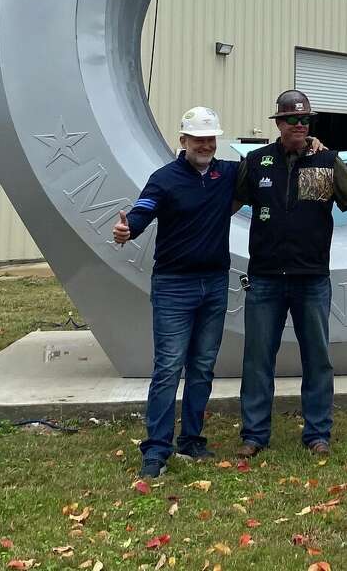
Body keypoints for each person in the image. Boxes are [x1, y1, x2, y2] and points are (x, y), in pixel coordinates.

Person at [234, 90, 347, 458]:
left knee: (317, 357)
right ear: (278, 123)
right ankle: (254, 435)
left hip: (310, 279)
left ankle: (317, 434)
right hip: (264, 278)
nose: (299, 125)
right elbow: (225, 203)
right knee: (257, 358)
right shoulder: (257, 162)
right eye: (292, 119)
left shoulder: (329, 163)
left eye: (305, 120)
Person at [114, 106, 238, 479]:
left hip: (215, 284)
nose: (205, 144)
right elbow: (141, 212)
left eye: (211, 138)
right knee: (168, 367)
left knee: (202, 367)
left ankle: (192, 441)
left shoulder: (227, 173)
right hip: (174, 287)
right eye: (198, 138)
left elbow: (267, 164)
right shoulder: (164, 179)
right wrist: (127, 230)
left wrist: (311, 142)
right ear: (182, 140)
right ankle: (156, 450)